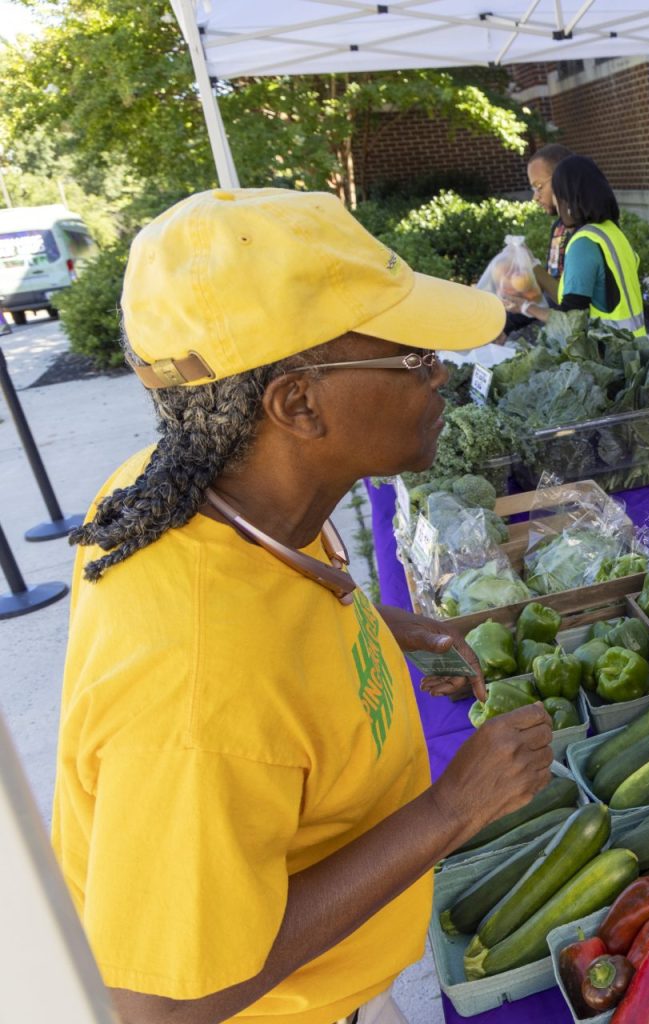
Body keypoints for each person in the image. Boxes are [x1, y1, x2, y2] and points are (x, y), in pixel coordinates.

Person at [53, 188, 555, 1024]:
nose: (442, 375)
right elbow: (160, 1006)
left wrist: (389, 625)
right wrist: (450, 811)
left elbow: (276, 605)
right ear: (297, 403)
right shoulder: (196, 689)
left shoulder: (212, 491)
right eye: (414, 358)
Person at [512, 155, 648, 338]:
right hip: (635, 351)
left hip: (607, 356)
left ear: (567, 198)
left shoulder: (583, 244)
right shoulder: (612, 232)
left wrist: (525, 307)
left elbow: (570, 319)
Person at [525, 142, 573, 300]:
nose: (535, 197)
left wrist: (531, 265)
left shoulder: (585, 233)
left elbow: (570, 301)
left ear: (562, 179)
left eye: (539, 186)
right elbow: (552, 286)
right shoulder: (559, 227)